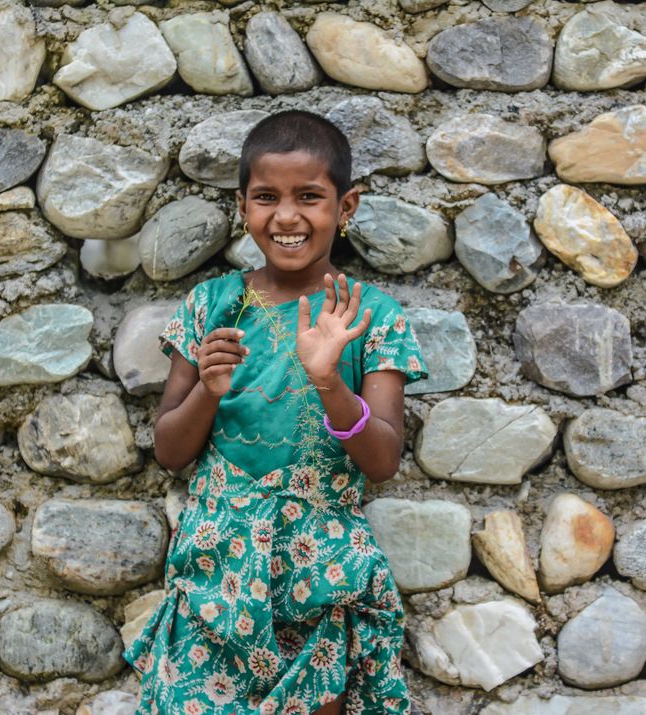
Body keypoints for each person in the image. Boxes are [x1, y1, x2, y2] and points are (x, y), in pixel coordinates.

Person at [124, 110, 428, 715]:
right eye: (267, 197)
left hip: (321, 567)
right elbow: (170, 453)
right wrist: (209, 389)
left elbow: (384, 459)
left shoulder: (371, 315)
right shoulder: (214, 306)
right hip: (217, 565)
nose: (286, 217)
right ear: (243, 206)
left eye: (310, 197)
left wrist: (329, 384)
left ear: (346, 207)